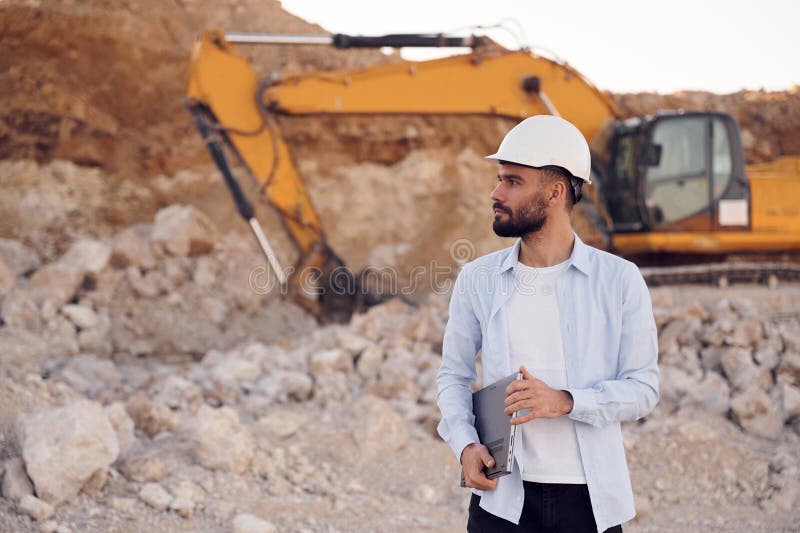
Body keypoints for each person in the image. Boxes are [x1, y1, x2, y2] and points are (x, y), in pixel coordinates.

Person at [436, 115, 659, 532]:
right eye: (500, 179)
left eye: (513, 182)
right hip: (502, 503)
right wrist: (464, 444)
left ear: (555, 192)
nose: (495, 193)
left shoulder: (619, 280)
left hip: (588, 503)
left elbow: (643, 389)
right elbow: (453, 375)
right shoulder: (477, 280)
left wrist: (566, 401)